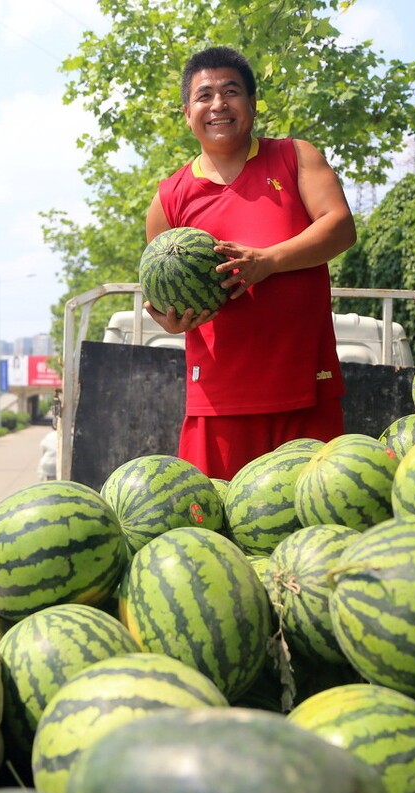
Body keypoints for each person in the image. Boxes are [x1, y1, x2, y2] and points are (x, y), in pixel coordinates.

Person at [145, 46, 358, 481]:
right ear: (188, 113)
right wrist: (171, 319)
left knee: (312, 529)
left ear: (253, 104)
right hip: (219, 402)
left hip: (305, 388)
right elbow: (161, 290)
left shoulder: (296, 156)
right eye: (204, 95)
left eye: (231, 91)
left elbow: (340, 227)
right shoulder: (170, 198)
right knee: (219, 533)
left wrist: (270, 260)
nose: (218, 104)